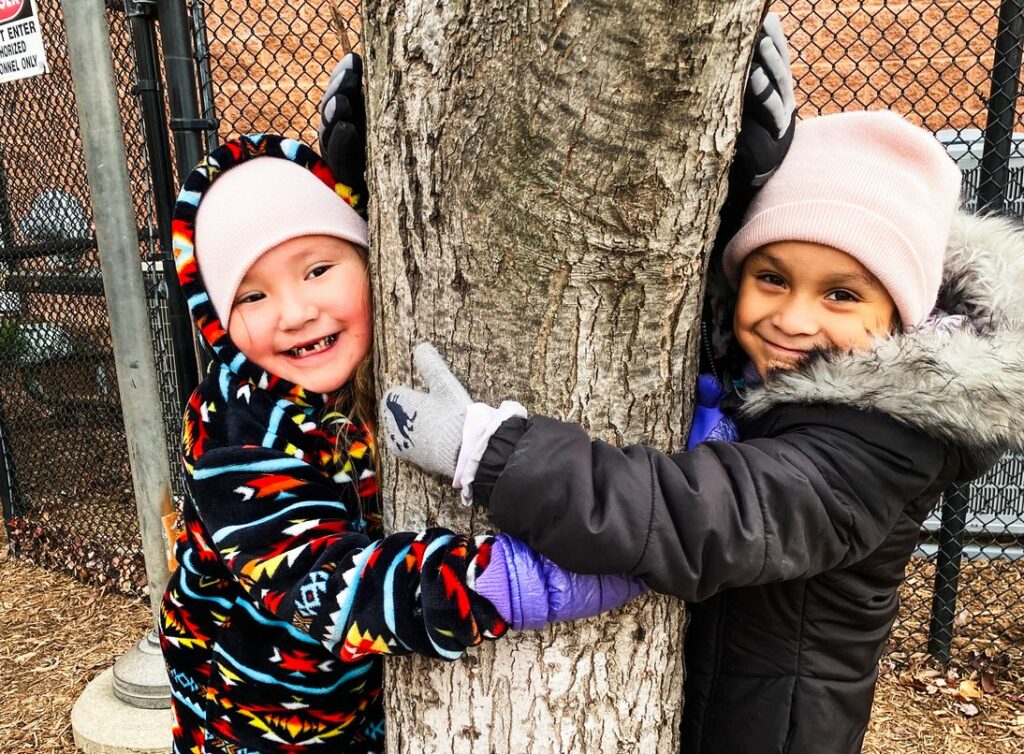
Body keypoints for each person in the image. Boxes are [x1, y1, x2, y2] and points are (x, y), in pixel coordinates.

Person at [380, 109, 1024, 754]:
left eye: (842, 296)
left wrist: (493, 452)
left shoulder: (885, 436)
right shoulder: (758, 372)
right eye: (771, 278)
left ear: (900, 316)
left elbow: (711, 517)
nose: (794, 319)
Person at [158, 133, 646, 754]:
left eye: (317, 269)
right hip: (250, 719)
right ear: (218, 322)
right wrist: (512, 585)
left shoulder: (354, 386)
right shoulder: (238, 438)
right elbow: (322, 582)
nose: (294, 311)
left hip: (354, 704)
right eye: (252, 295)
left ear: (370, 261)